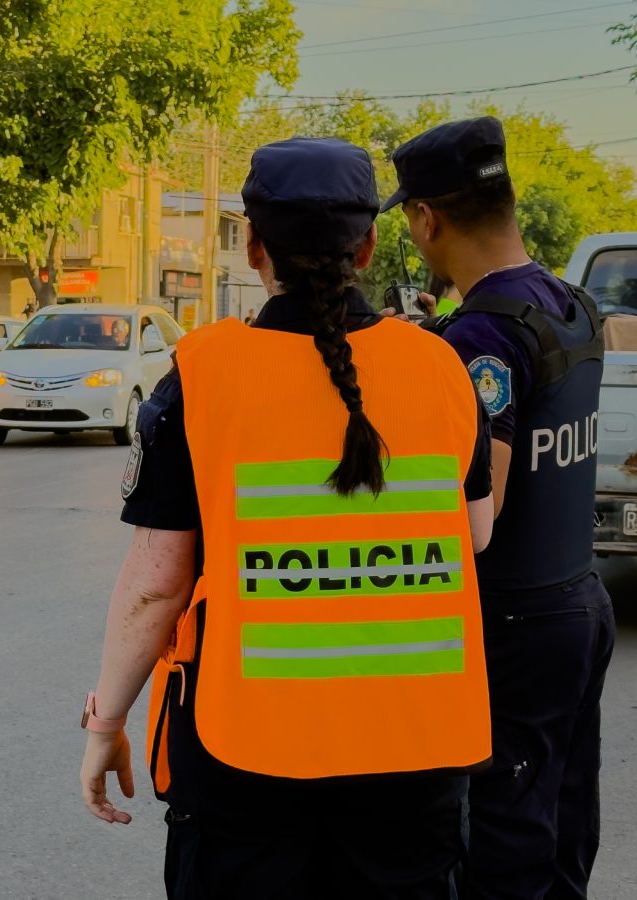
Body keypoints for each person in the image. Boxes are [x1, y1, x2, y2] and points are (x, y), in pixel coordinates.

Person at [79, 137, 498, 899]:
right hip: (418, 750)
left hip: (251, 760)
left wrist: (106, 724)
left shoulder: (202, 377)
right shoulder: (443, 368)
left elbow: (155, 587)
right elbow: (473, 535)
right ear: (369, 245)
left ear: (251, 245)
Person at [384, 116, 616, 900]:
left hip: (514, 626)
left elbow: (479, 505)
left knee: (503, 839)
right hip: (580, 603)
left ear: (426, 218)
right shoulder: (570, 303)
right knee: (562, 820)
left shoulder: (483, 335)